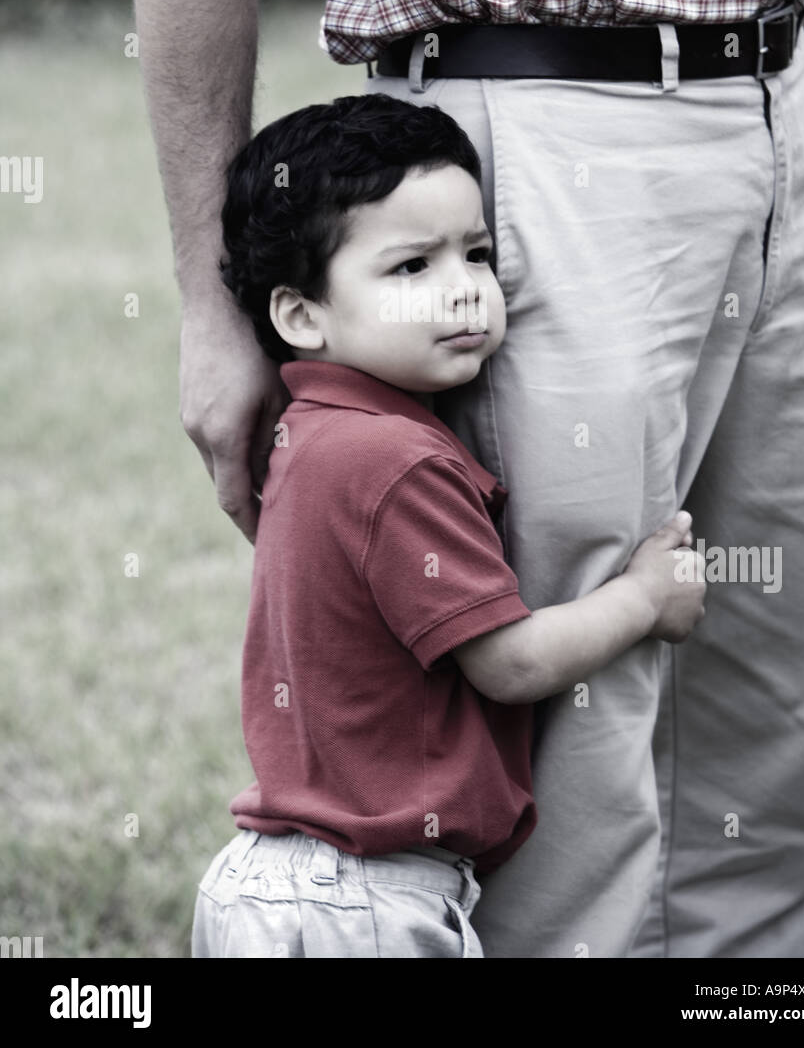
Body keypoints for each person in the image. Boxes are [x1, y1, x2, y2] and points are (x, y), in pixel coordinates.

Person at [133, 0, 804, 957]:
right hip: (534, 139)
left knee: (777, 696)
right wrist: (213, 302)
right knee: (567, 756)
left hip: (783, 115)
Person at [189, 90, 706, 958]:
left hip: (276, 887)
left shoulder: (310, 437)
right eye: (411, 269)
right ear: (300, 314)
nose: (464, 291)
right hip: (369, 901)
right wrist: (647, 599)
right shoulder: (397, 462)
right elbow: (512, 662)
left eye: (477, 253)